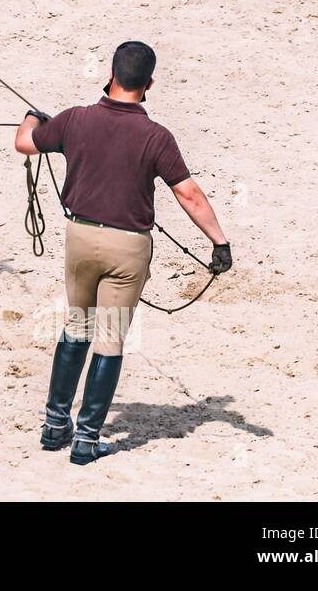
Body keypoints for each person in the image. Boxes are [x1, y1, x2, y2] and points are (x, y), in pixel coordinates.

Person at [14, 41, 232, 465]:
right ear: (149, 84)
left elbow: (25, 143)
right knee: (109, 339)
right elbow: (189, 195)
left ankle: (56, 424)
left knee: (77, 326)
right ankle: (87, 438)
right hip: (127, 251)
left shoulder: (75, 120)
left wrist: (32, 117)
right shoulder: (157, 137)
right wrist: (219, 241)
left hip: (80, 239)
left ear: (110, 74)